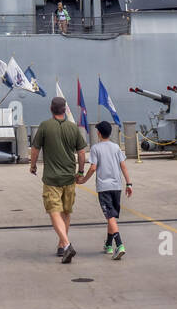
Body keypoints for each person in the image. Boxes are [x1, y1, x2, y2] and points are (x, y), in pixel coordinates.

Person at [29, 96, 88, 262]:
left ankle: (67, 244)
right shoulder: (73, 128)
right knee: (66, 212)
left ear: (51, 109)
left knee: (54, 211)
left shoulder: (45, 126)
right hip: (69, 177)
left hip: (51, 178)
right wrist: (81, 171)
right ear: (65, 110)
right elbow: (82, 152)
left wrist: (33, 166)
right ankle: (61, 245)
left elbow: (35, 149)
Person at [79, 120, 133, 259]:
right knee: (112, 217)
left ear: (98, 133)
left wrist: (84, 180)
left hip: (104, 188)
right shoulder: (116, 147)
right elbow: (123, 166)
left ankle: (119, 244)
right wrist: (129, 184)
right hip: (117, 186)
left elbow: (93, 168)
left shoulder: (96, 148)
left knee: (109, 217)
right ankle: (109, 245)